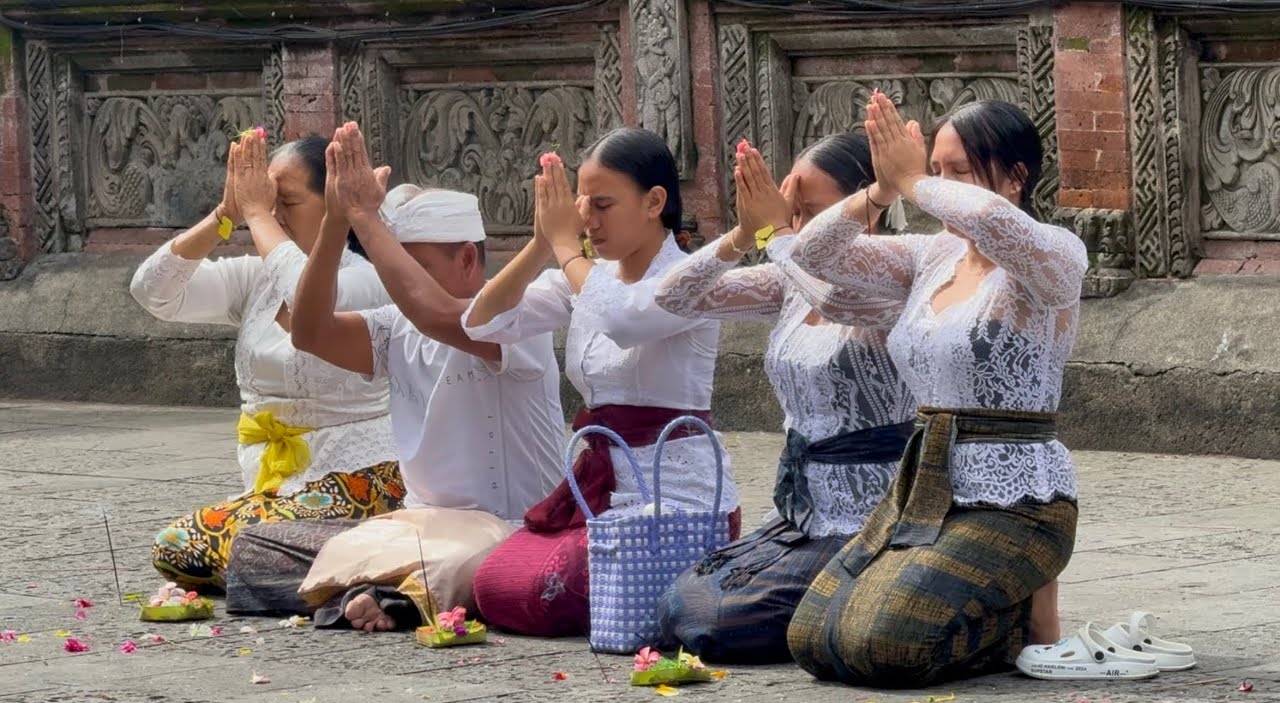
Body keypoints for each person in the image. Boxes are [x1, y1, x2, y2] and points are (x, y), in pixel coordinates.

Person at [781, 94, 1085, 687]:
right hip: (923, 490)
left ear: (1016, 176)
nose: (940, 186)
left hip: (1018, 501)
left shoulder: (1052, 253)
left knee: (887, 641)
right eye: (937, 168)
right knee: (814, 634)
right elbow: (811, 252)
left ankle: (1017, 626)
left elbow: (996, 223)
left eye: (959, 171)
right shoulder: (930, 256)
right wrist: (882, 191)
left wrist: (915, 179)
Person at [226, 122, 565, 631]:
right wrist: (337, 223)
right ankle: (384, 588)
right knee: (254, 549)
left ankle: (391, 592)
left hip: (507, 530)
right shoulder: (396, 325)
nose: (396, 283)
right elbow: (310, 331)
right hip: (417, 527)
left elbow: (435, 314)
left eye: (410, 264)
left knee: (475, 564)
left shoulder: (516, 316)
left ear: (467, 258)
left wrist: (364, 217)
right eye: (391, 266)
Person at [463, 128, 743, 637]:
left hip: (675, 499)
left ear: (655, 201)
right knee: (492, 582)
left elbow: (625, 319)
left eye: (604, 204)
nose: (588, 220)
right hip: (596, 491)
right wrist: (541, 243)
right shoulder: (587, 278)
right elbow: (481, 323)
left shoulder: (689, 279)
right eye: (582, 204)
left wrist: (569, 249)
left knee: (538, 594)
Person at [651, 133, 915, 663]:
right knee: (678, 605)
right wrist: (746, 232)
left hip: (872, 514)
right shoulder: (790, 278)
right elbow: (674, 296)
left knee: (716, 620)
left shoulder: (900, 278)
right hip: (803, 514)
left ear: (864, 207)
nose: (796, 224)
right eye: (790, 211)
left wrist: (776, 235)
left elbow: (835, 296)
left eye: (809, 211)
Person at [132, 130, 400, 589]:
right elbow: (152, 292)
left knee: (188, 543)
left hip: (361, 477)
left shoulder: (365, 280)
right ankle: (341, 567)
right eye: (267, 200)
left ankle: (355, 561)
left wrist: (257, 215)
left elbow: (307, 301)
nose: (274, 212)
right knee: (191, 548)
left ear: (331, 202)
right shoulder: (257, 278)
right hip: (278, 489)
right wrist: (226, 215)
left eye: (287, 202)